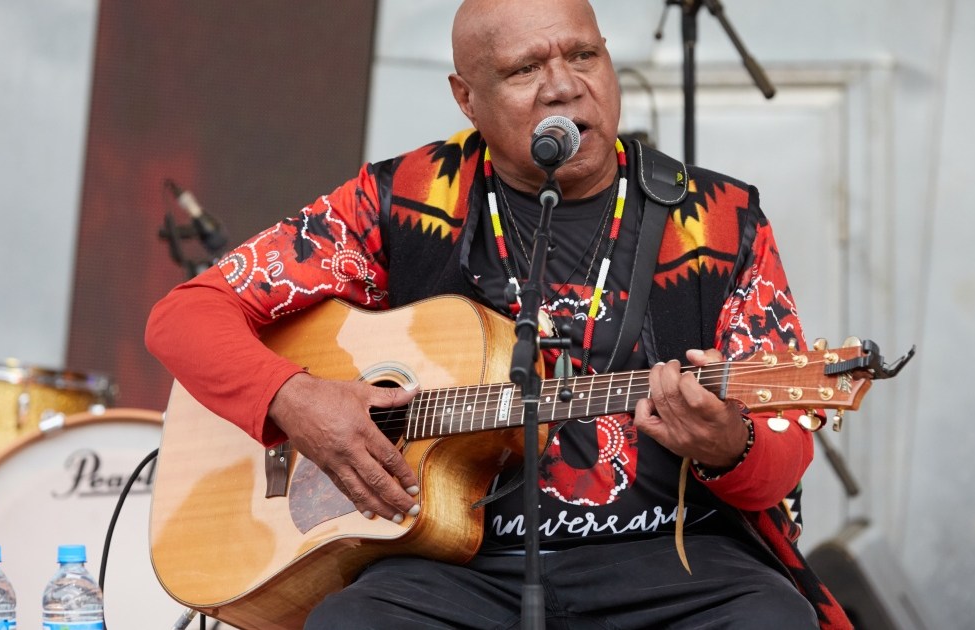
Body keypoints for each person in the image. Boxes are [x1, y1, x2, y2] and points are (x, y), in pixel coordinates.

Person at [146, 0, 851, 628]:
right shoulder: (400, 202)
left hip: (669, 560)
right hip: (453, 565)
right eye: (523, 70)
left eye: (584, 55)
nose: (564, 86)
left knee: (771, 617)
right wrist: (294, 401)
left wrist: (730, 446)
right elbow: (186, 316)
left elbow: (782, 459)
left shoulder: (718, 221)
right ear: (466, 97)